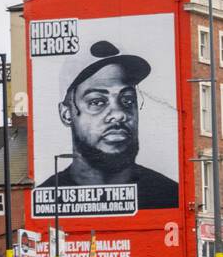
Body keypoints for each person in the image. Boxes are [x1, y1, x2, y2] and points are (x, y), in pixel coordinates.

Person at [35, 40, 178, 206]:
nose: (118, 114)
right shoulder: (47, 200)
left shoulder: (169, 196)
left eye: (127, 100)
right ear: (66, 113)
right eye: (97, 102)